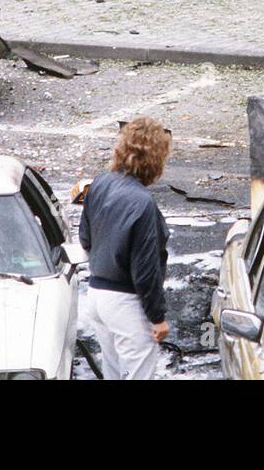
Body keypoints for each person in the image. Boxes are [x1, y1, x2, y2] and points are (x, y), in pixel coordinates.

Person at [78, 116, 171, 380]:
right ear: (156, 158)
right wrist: (158, 317)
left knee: (114, 372)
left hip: (97, 296)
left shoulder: (100, 183)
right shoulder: (143, 203)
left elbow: (85, 238)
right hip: (125, 304)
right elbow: (146, 271)